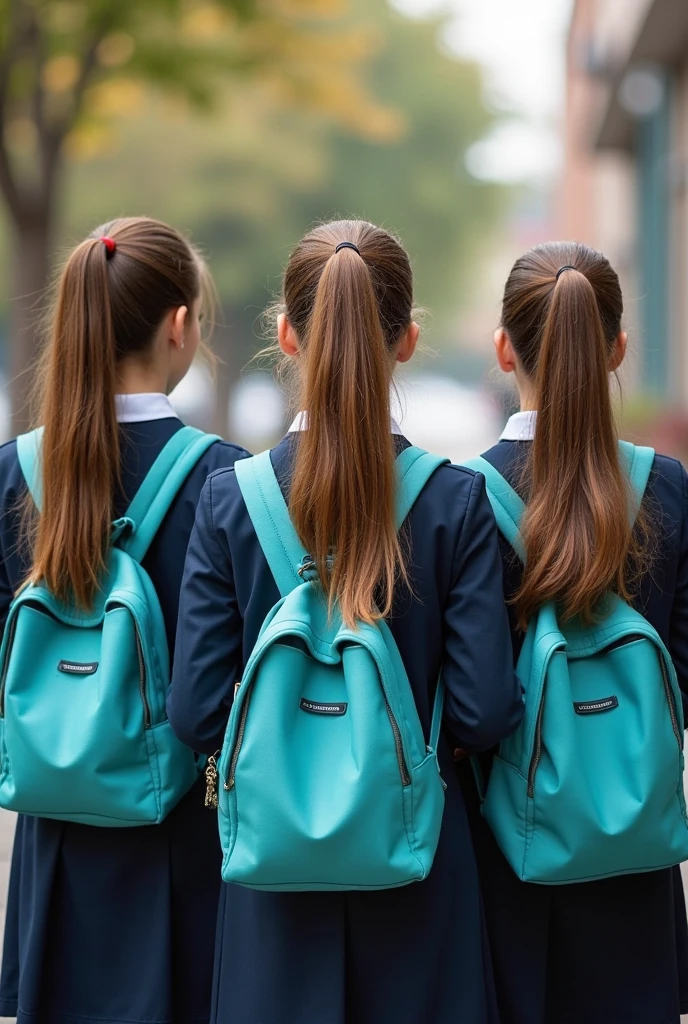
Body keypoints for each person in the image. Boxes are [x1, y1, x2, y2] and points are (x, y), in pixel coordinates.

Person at [167, 219, 524, 1024]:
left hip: (274, 881)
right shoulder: (453, 498)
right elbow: (483, 709)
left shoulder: (231, 497)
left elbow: (194, 714)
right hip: (421, 870)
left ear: (288, 336)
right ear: (406, 342)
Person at [0, 216, 249, 1024]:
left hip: (57, 832)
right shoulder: (228, 481)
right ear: (180, 325)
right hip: (181, 836)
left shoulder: (17, 473)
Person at [459, 240, 688, 1024]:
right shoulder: (666, 489)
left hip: (504, 856)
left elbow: (471, 704)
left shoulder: (460, 499)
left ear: (502, 350)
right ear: (617, 346)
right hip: (633, 844)